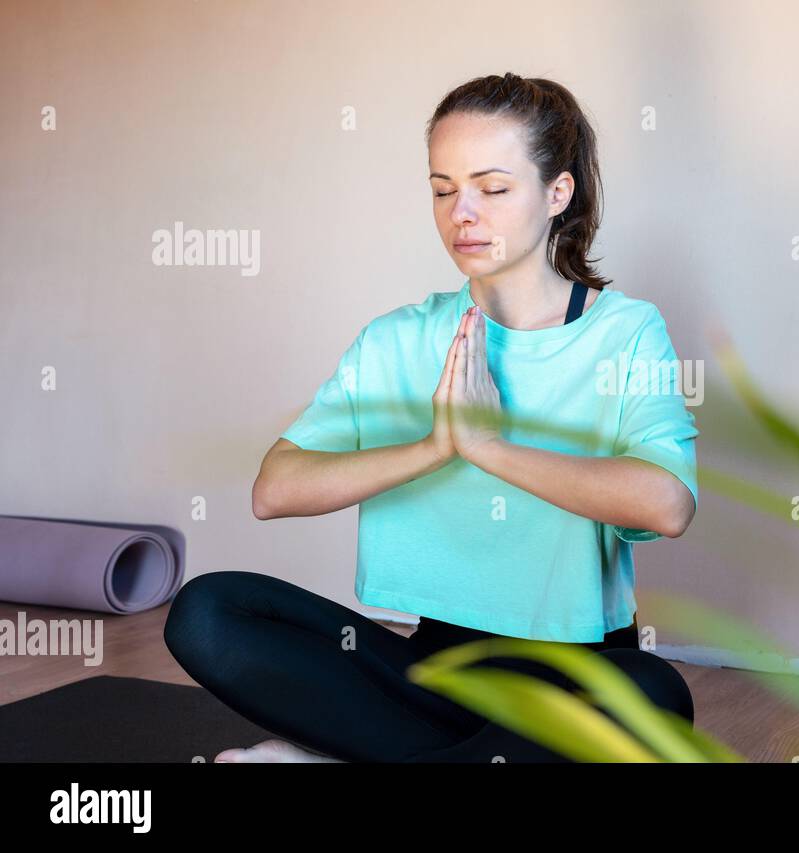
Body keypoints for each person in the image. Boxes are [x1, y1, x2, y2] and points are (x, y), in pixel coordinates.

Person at [163, 73, 699, 762]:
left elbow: (666, 504)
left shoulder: (627, 332)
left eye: (492, 188)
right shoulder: (398, 338)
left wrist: (487, 445)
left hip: (580, 679)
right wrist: (435, 445)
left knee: (655, 693)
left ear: (557, 193)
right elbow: (276, 489)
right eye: (443, 189)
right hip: (431, 674)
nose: (461, 213)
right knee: (208, 610)